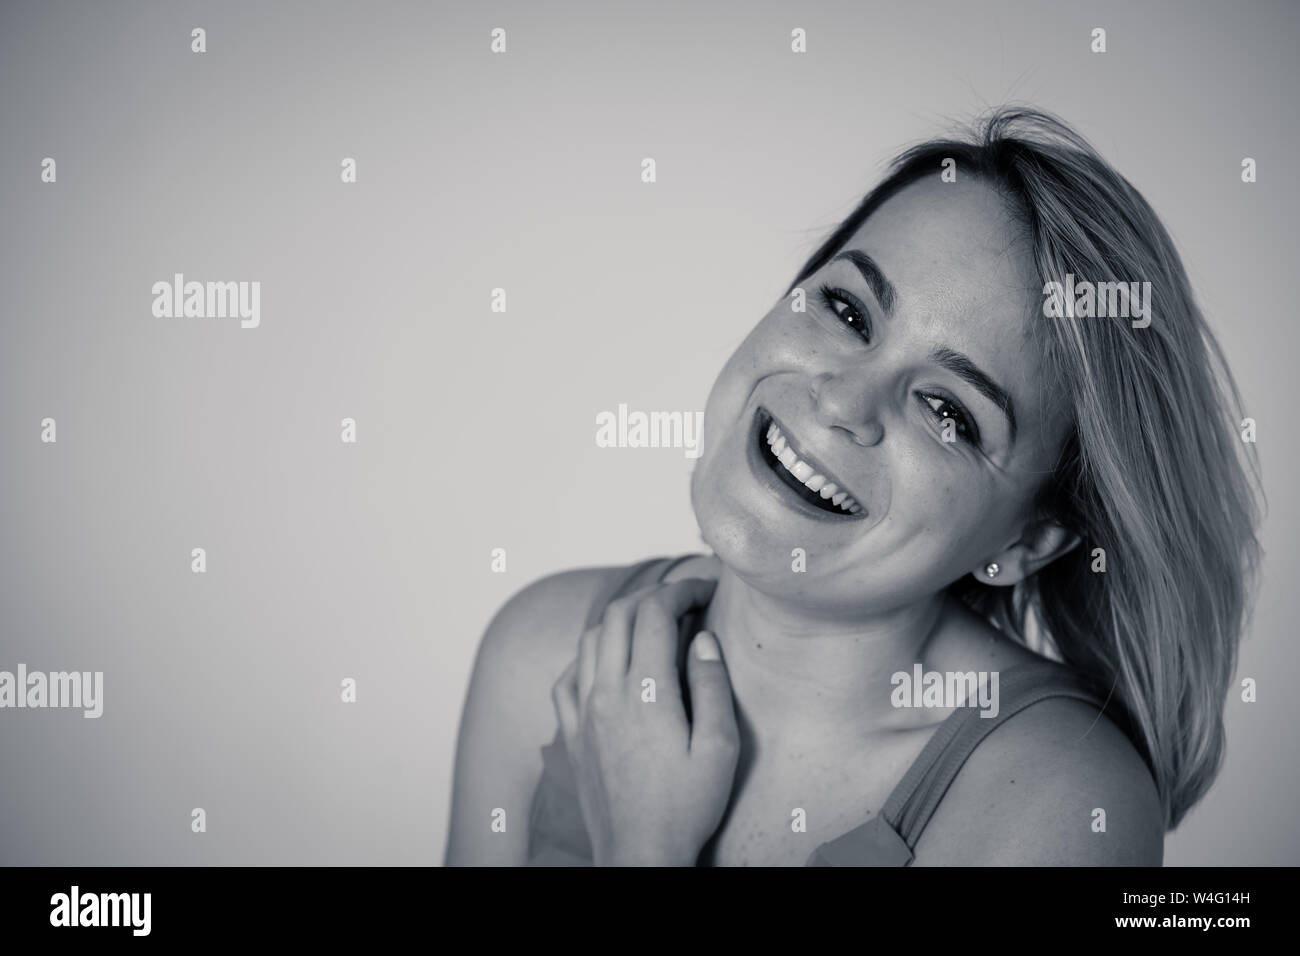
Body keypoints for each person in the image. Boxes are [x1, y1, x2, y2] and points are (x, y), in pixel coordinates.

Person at [445, 107, 1263, 866]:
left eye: (947, 409)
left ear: (1026, 542)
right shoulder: (540, 648)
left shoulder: (1064, 803)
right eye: (847, 308)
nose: (840, 400)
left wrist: (646, 848)